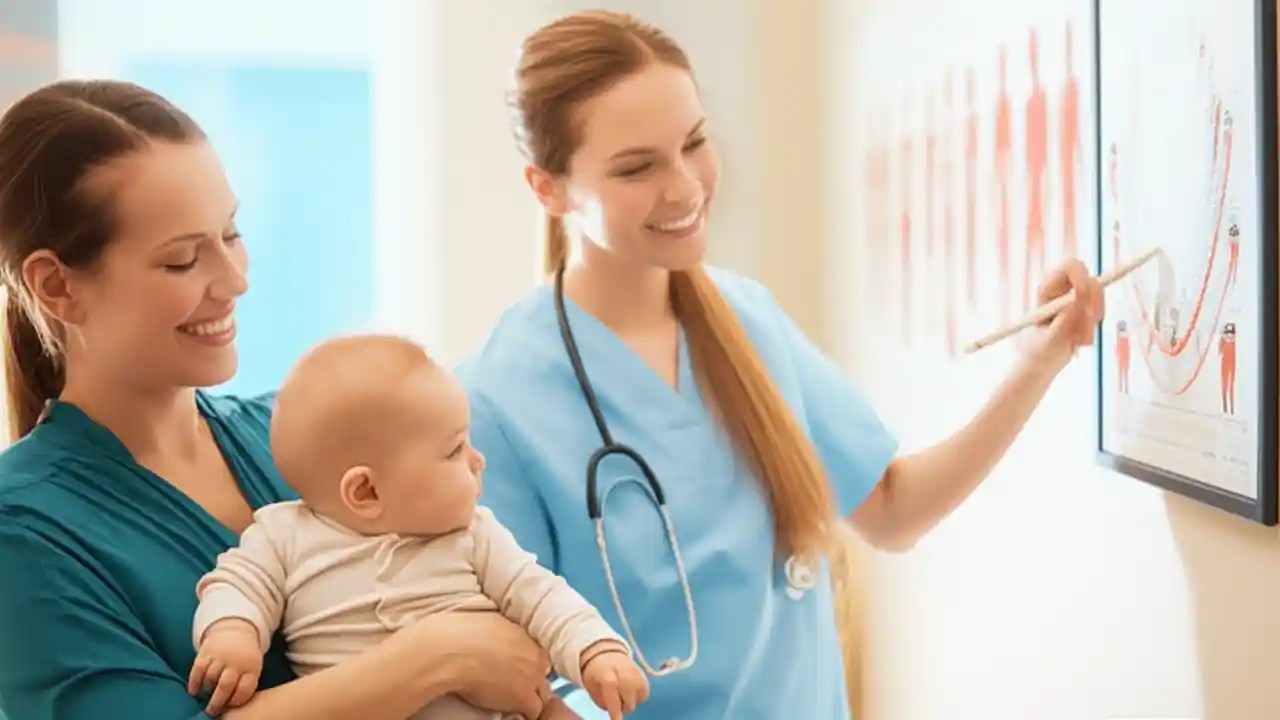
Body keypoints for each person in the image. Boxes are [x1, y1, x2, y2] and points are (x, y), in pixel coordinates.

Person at [455, 10, 1105, 720]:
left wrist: (1036, 363)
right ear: (546, 188)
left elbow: (892, 512)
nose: (685, 187)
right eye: (637, 167)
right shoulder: (497, 400)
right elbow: (515, 684)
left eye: (694, 143)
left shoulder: (747, 320)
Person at [0, 80, 553, 720]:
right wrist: (436, 658)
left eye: (230, 235)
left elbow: (503, 598)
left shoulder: (296, 433)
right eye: (182, 260)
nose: (235, 280)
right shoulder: (27, 531)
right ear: (57, 286)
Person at [188, 334, 647, 719]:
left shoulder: (474, 536)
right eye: (454, 451)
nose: (478, 459)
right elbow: (236, 584)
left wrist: (595, 652)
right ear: (366, 493)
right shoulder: (283, 536)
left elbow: (542, 597)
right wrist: (232, 633)